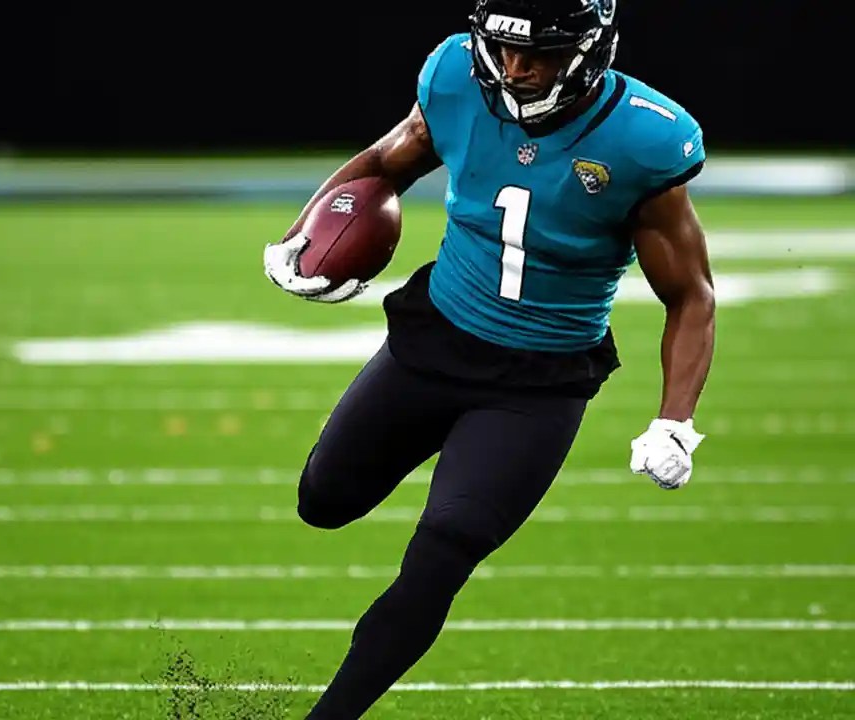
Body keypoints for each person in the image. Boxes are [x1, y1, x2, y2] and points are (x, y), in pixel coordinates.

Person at [262, 0, 716, 717]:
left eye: (540, 52)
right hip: (433, 339)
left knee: (442, 551)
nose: (516, 68)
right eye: (503, 48)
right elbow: (389, 159)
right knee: (324, 500)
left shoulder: (642, 138)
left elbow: (691, 295)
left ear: (592, 48)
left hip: (537, 382)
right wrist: (309, 229)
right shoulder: (452, 75)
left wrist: (675, 420)